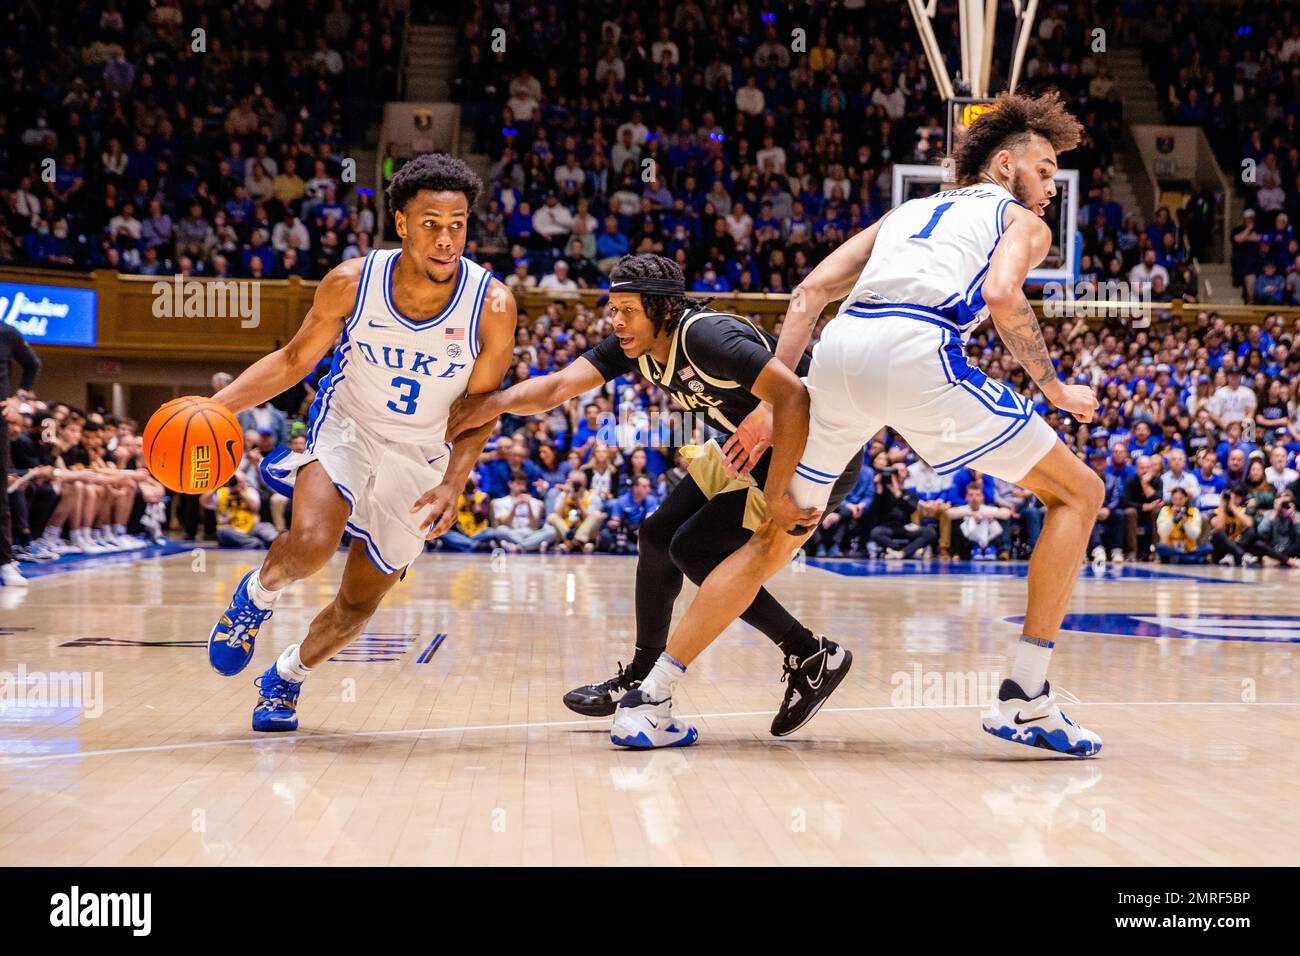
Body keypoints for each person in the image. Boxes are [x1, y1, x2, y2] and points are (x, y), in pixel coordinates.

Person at [652, 91, 1105, 756]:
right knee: (1080, 492)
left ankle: (652, 699)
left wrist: (774, 403)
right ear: (1006, 166)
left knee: (775, 538)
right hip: (916, 350)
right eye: (1044, 170)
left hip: (839, 351)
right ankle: (1026, 698)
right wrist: (1055, 387)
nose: (1050, 188)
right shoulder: (1019, 221)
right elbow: (1002, 295)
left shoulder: (908, 213)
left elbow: (808, 294)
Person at [450, 254, 861, 743]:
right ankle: (644, 673)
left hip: (807, 456)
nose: (615, 320)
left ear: (662, 309)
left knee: (693, 548)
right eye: (612, 309)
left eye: (627, 309)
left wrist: (776, 495)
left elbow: (793, 398)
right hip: (744, 448)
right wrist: (493, 403)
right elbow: (558, 386)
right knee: (657, 534)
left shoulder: (709, 338)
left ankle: (809, 653)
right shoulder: (637, 345)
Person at [205, 154, 514, 732]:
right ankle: (257, 594)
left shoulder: (492, 304)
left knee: (358, 603)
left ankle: (285, 679)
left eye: (457, 223)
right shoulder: (352, 281)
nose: (446, 238)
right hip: (348, 426)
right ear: (400, 222)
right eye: (430, 223)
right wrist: (216, 407)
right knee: (314, 542)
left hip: (422, 455)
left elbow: (481, 411)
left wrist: (452, 484)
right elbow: (295, 360)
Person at [1, 322, 40, 587]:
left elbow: (32, 364)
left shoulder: (7, 332)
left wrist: (18, 398)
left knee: (0, 495)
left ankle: (4, 562)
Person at [1155, 486, 1210, 563]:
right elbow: (1162, 533)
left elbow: (1195, 535)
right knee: (1160, 547)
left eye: (1180, 499)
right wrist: (1172, 519)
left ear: (1186, 498)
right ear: (1171, 499)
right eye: (1175, 499)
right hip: (1171, 548)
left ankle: (1179, 558)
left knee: (1208, 547)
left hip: (1189, 549)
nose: (1178, 502)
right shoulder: (1165, 510)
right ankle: (1192, 559)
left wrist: (1186, 522)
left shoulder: (1194, 511)